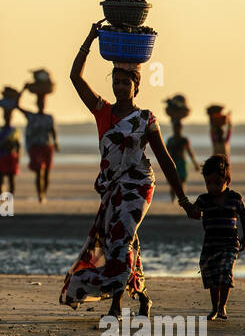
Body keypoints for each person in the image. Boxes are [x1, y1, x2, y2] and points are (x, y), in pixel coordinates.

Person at [61, 19, 197, 319]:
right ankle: (142, 295)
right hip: (112, 188)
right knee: (118, 242)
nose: (120, 87)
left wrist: (183, 199)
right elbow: (74, 76)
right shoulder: (102, 111)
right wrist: (89, 39)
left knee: (121, 238)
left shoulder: (145, 119)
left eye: (126, 83)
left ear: (136, 86)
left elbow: (165, 159)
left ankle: (114, 306)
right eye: (116, 82)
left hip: (138, 186)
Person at [188, 155, 245, 320]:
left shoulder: (234, 198)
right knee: (212, 275)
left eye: (217, 182)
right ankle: (214, 307)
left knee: (225, 273)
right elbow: (195, 213)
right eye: (208, 183)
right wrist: (186, 205)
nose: (212, 187)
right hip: (210, 243)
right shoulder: (204, 199)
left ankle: (222, 306)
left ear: (227, 181)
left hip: (230, 242)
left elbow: (244, 213)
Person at [17, 86, 59, 203]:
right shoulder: (31, 116)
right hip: (35, 148)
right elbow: (17, 105)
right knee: (39, 171)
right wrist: (23, 89)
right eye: (39, 102)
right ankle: (40, 195)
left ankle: (43, 193)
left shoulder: (49, 117)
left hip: (47, 147)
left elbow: (53, 131)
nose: (41, 104)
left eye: (43, 102)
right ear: (37, 103)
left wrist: (56, 142)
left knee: (46, 174)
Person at [163, 95, 202, 204]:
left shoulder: (184, 140)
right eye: (176, 128)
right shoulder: (170, 140)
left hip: (182, 162)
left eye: (178, 128)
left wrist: (195, 164)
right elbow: (166, 153)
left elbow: (190, 152)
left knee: (183, 181)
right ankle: (172, 200)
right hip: (173, 162)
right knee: (173, 183)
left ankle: (181, 199)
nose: (177, 129)